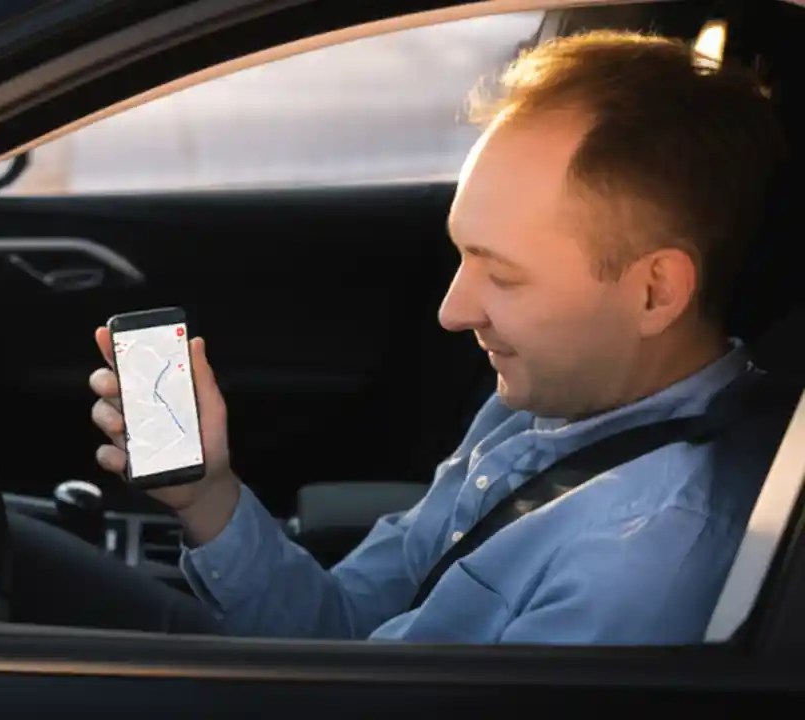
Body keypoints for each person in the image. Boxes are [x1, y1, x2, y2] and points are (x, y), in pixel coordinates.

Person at [87, 30, 788, 644]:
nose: (453, 312)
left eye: (503, 275)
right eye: (463, 255)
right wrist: (207, 497)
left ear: (655, 291)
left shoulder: (638, 560)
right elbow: (345, 632)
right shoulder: (537, 407)